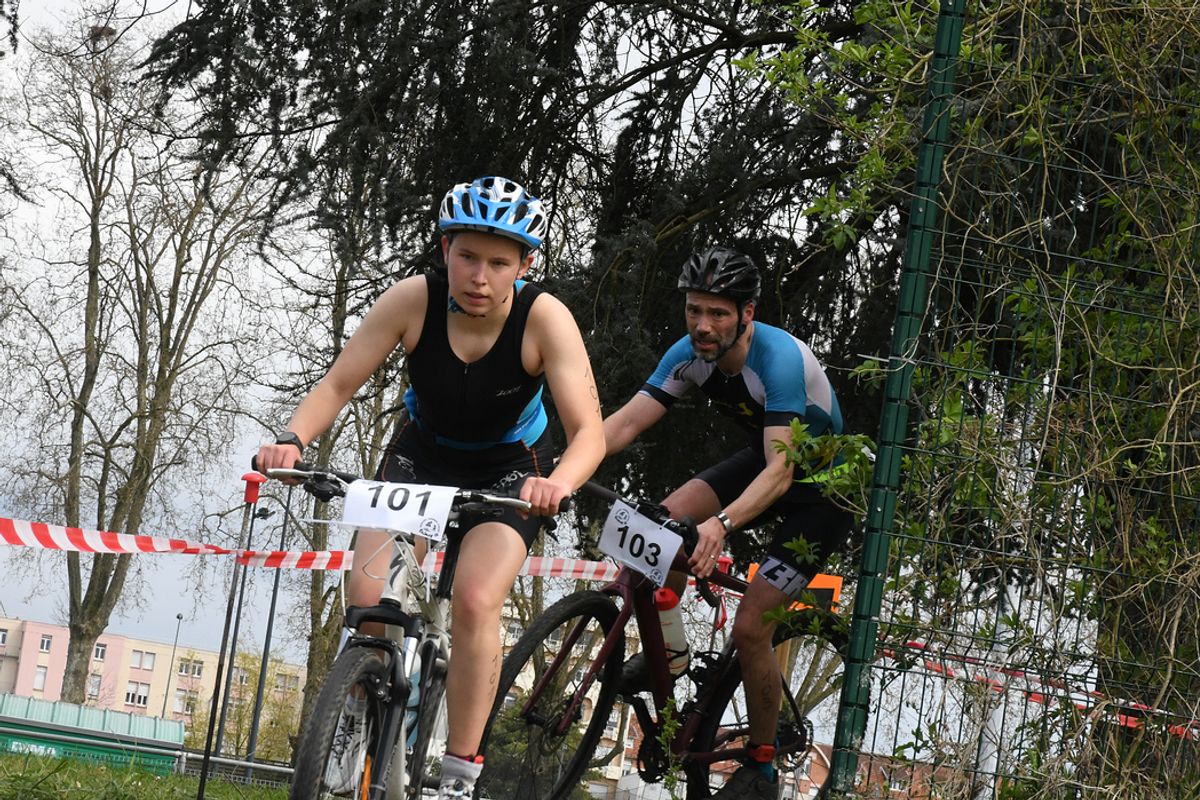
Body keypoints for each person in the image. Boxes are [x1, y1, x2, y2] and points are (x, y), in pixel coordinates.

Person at [255, 176, 605, 800]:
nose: (479, 277)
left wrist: (558, 482)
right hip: (423, 455)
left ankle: (459, 774)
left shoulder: (545, 318)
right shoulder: (412, 300)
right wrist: (292, 439)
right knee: (369, 596)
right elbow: (338, 385)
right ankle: (355, 712)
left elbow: (589, 433)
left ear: (524, 266)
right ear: (445, 250)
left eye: (499, 263)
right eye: (467, 256)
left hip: (511, 468)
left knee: (475, 599)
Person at [602, 246, 854, 799]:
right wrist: (563, 470)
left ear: (747, 314)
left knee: (751, 625)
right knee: (658, 525)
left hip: (822, 492)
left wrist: (720, 522)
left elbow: (781, 474)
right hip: (764, 460)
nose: (702, 325)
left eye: (718, 313)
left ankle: (761, 765)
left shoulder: (778, 360)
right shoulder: (688, 353)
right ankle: (672, 654)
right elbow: (624, 425)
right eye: (694, 310)